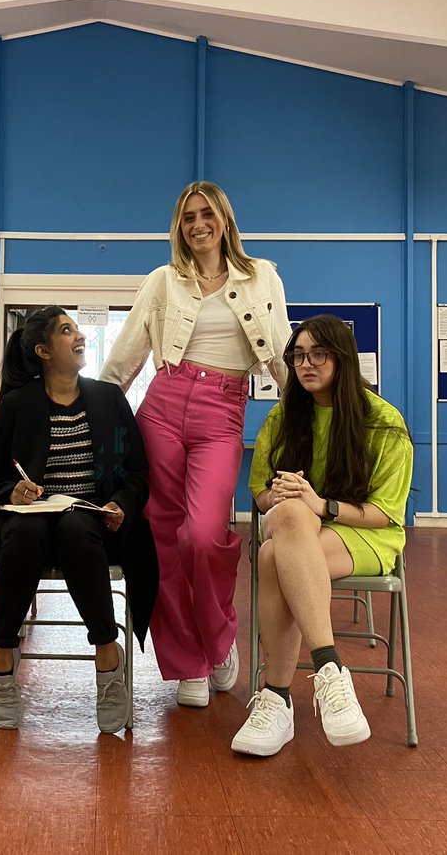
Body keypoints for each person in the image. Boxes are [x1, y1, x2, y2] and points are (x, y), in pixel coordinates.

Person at [100, 181, 290, 707]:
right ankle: (189, 664)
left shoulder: (262, 276)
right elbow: (126, 354)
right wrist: (88, 407)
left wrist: (315, 408)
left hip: (222, 411)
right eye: (188, 217)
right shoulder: (163, 280)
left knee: (204, 535)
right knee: (161, 537)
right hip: (162, 404)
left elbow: (280, 350)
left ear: (225, 220)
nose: (199, 224)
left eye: (207, 214)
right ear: (178, 228)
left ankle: (217, 638)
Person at [231, 314, 412, 754]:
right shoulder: (283, 416)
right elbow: (259, 493)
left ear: (342, 358)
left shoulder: (383, 421)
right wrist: (281, 496)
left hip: (364, 532)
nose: (305, 364)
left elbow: (384, 513)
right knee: (289, 516)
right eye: (297, 356)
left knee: (273, 557)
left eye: (318, 354)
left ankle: (277, 697)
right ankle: (330, 671)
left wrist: (322, 505)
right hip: (296, 528)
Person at [0, 306, 157, 733]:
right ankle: (2, 655)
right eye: (67, 330)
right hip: (30, 520)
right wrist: (11, 492)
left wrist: (122, 504)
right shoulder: (16, 405)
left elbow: (136, 472)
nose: (80, 337)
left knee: (75, 528)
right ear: (43, 351)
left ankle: (107, 654)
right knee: (23, 532)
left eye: (77, 328)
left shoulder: (108, 399)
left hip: (93, 522)